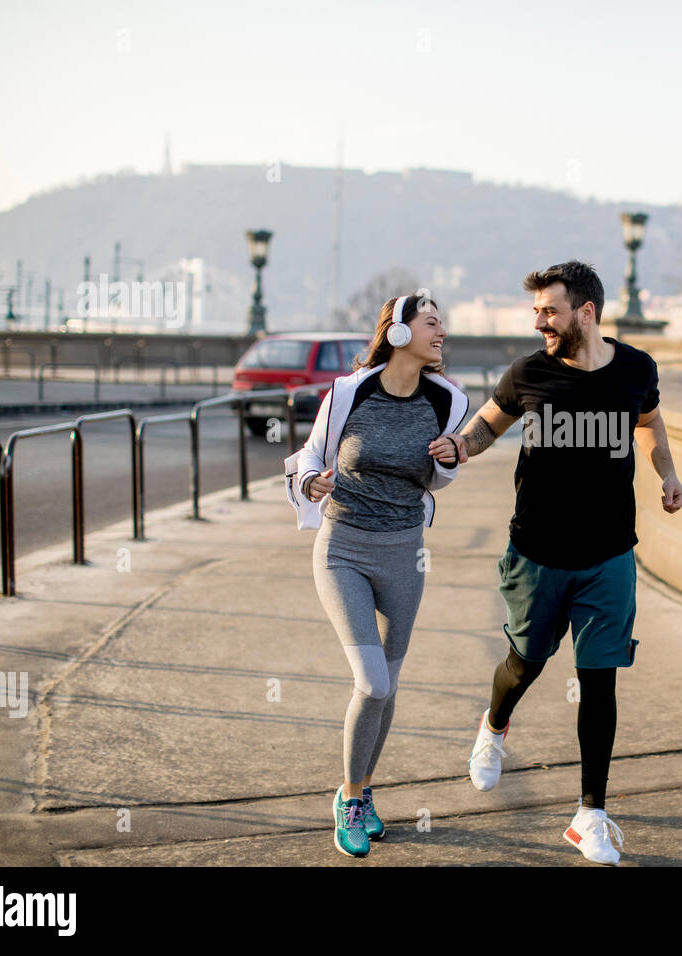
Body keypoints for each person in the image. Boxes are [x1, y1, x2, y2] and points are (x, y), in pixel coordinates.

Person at [447, 260, 682, 865]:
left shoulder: (637, 369)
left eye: (549, 311)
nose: (540, 323)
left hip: (609, 554)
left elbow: (650, 421)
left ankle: (590, 815)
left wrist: (668, 474)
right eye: (536, 312)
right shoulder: (529, 371)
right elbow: (487, 425)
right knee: (525, 662)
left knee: (599, 680)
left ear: (586, 312)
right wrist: (459, 446)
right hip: (538, 551)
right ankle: (494, 727)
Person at [285, 293, 470, 858]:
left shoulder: (449, 400)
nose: (441, 330)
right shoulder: (349, 392)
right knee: (372, 682)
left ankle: (363, 794)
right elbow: (310, 456)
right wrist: (312, 481)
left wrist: (447, 460)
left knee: (388, 688)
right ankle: (348, 799)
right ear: (397, 332)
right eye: (431, 321)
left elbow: (438, 483)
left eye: (442, 322)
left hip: (406, 555)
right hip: (343, 549)